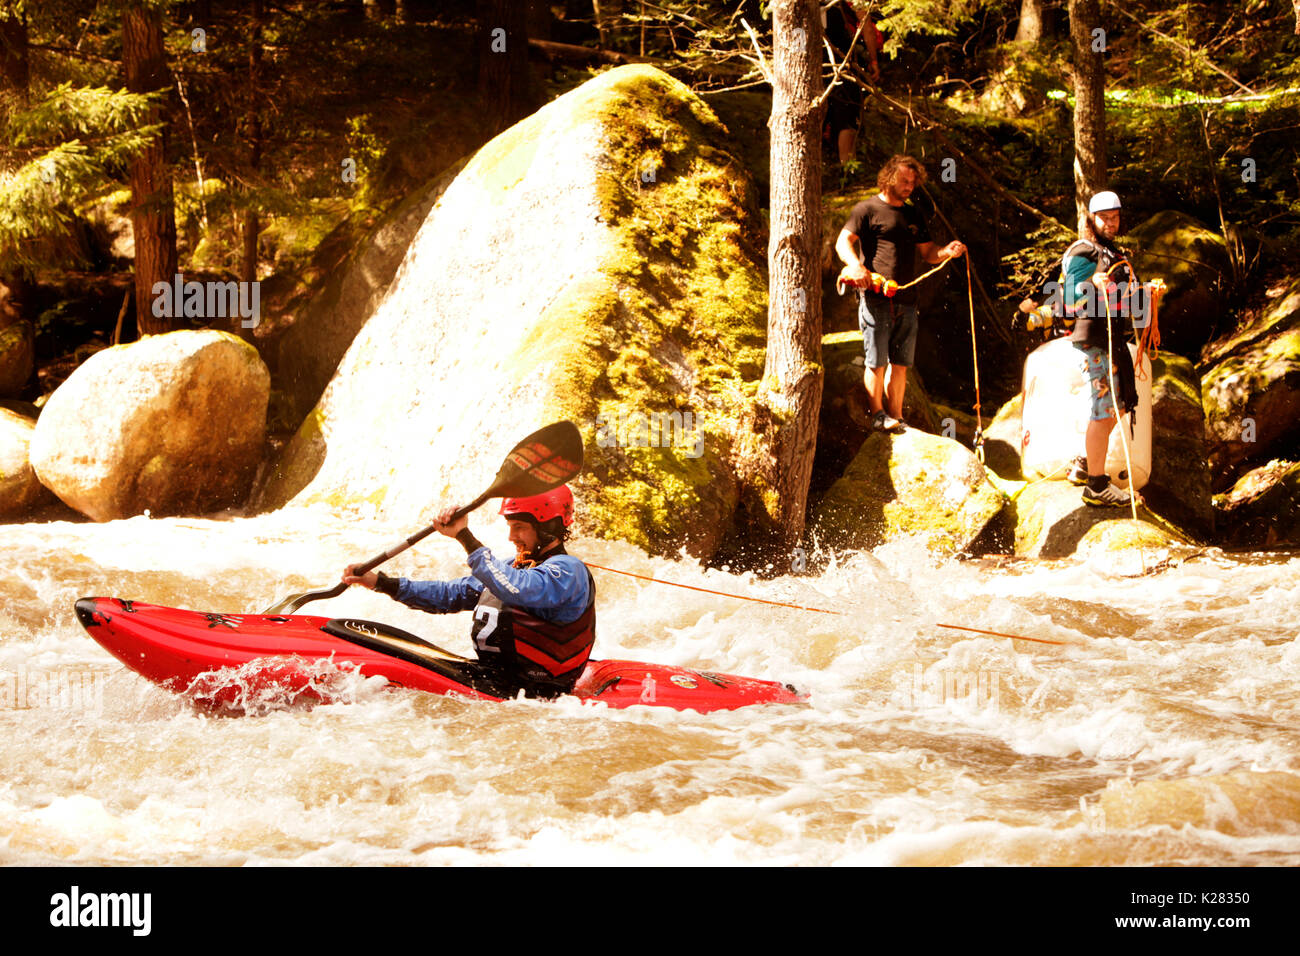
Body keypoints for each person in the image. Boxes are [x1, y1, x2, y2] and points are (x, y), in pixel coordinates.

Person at [341, 485, 596, 699]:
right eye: (510, 526)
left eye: (519, 527)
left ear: (547, 526)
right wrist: (379, 582)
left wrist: (463, 535)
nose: (511, 536)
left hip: (538, 694)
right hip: (494, 680)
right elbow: (449, 595)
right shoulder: (510, 568)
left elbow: (518, 589)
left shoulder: (568, 571)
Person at [835, 154, 966, 431]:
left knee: (901, 364)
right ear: (889, 177)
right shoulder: (867, 209)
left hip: (907, 300)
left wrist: (947, 253)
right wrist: (856, 266)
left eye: (912, 182)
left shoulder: (913, 213)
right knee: (876, 361)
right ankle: (878, 415)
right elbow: (842, 242)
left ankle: (897, 418)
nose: (909, 186)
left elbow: (929, 252)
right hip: (876, 298)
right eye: (904, 180)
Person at [1060, 190, 1143, 507]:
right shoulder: (1084, 251)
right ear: (1091, 220)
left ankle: (1083, 463)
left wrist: (1148, 294)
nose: (1110, 223)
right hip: (1093, 338)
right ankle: (1095, 486)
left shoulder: (1114, 253)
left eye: (1115, 217)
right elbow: (1069, 299)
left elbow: (1132, 302)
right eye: (1104, 218)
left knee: (1120, 404)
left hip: (1114, 338)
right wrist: (1094, 286)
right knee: (1104, 408)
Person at [823, 1, 881, 166]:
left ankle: (827, 167)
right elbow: (867, 28)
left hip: (814, 59)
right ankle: (848, 168)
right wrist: (874, 60)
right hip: (844, 59)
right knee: (847, 114)